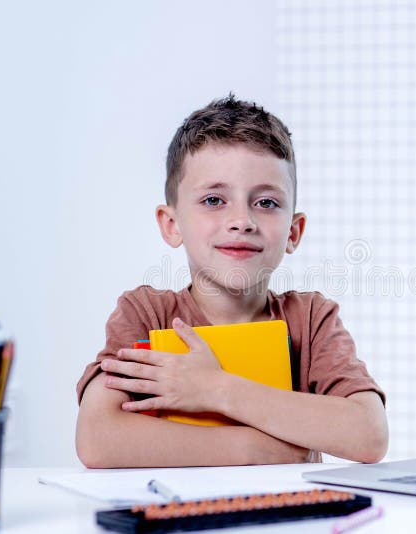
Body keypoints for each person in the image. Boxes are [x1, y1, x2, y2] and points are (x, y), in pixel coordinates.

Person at [75, 95, 387, 467]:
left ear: (293, 231)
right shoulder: (146, 313)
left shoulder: (312, 319)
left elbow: (368, 435)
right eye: (213, 200)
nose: (242, 220)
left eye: (266, 203)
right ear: (172, 225)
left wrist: (215, 388)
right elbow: (97, 438)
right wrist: (255, 450)